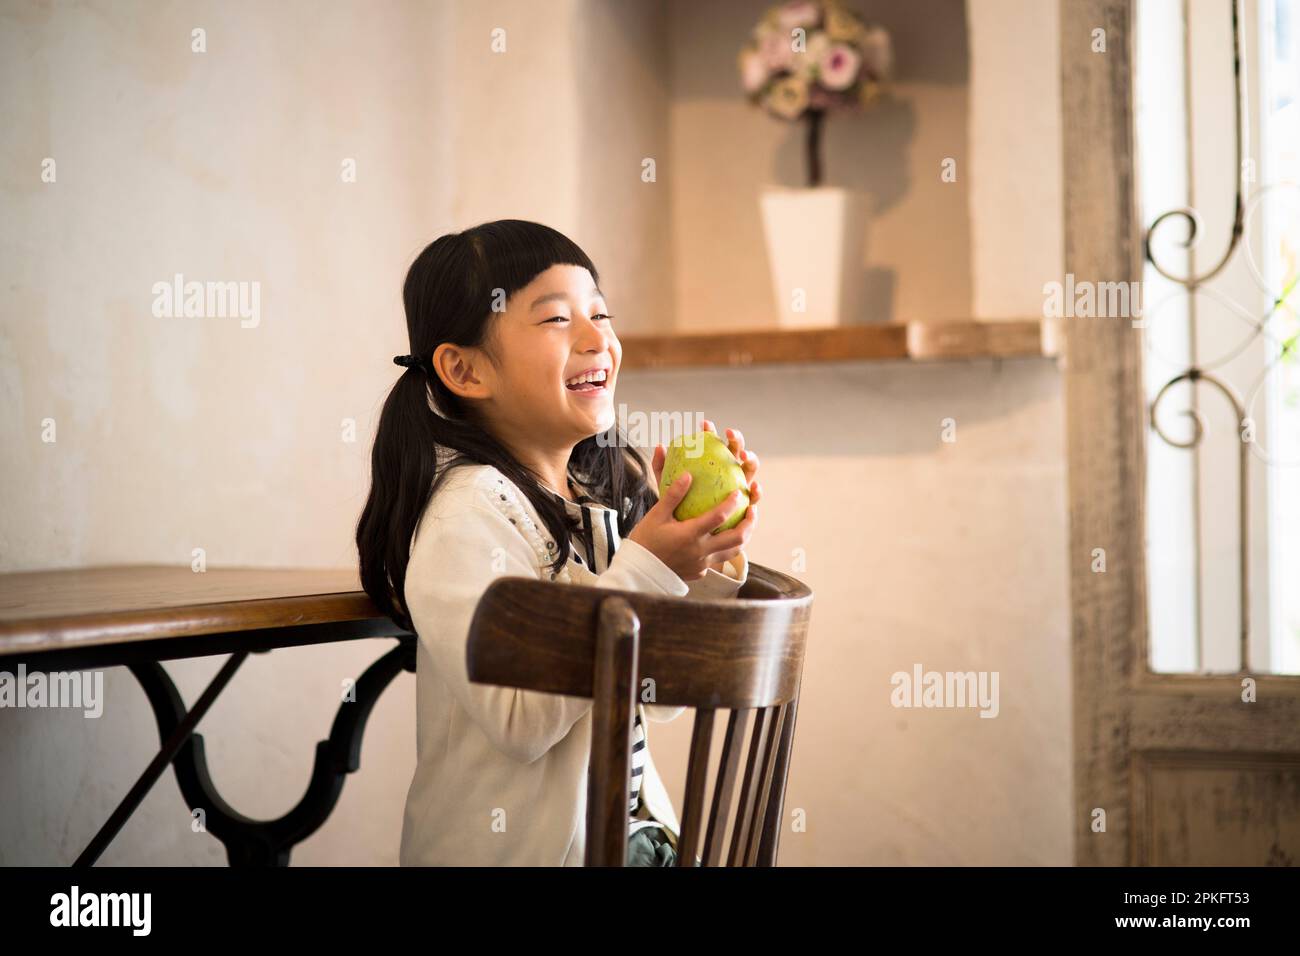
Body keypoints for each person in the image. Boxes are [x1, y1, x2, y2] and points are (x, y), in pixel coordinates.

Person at [355, 220, 762, 866]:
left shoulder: (590, 509)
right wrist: (650, 567)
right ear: (463, 369)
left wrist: (702, 554)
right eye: (556, 320)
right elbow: (521, 721)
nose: (599, 338)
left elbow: (656, 696)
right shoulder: (465, 520)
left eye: (601, 313)